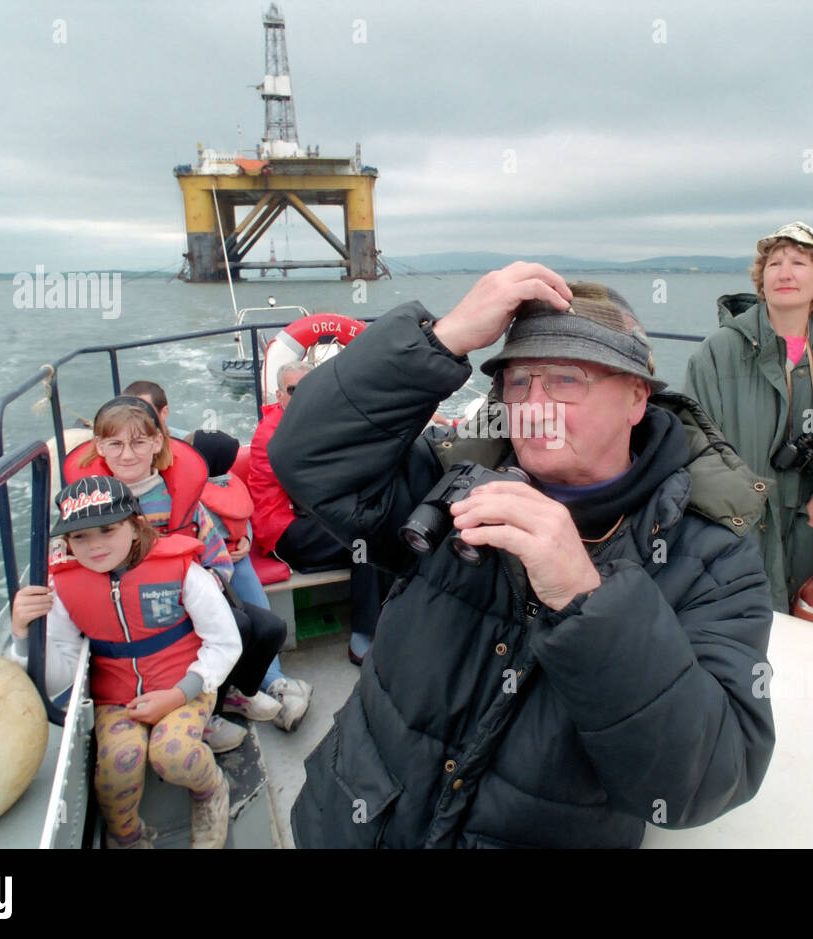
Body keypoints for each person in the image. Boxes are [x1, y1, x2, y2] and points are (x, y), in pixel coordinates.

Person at [270, 263, 775, 848]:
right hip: (354, 823)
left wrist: (587, 602)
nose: (533, 405)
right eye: (518, 381)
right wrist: (442, 337)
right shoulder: (450, 485)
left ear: (638, 397)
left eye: (565, 379)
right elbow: (307, 456)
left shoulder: (710, 555)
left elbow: (708, 778)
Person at [9, 476, 239, 848]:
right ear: (66, 542)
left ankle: (211, 790)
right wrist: (23, 634)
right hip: (114, 699)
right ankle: (128, 837)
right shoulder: (64, 589)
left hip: (185, 686)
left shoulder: (183, 570)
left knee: (174, 754)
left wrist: (180, 694)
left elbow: (225, 643)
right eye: (79, 537)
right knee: (117, 770)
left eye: (107, 529)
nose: (95, 545)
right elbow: (58, 677)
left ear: (136, 526)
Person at [66, 396, 285, 752]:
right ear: (99, 448)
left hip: (192, 595)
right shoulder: (88, 505)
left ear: (157, 443)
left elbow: (216, 556)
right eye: (115, 444)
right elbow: (73, 563)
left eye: (138, 442)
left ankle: (228, 694)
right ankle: (204, 710)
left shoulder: (180, 499)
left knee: (270, 628)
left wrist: (206, 587)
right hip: (135, 609)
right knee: (241, 627)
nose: (127, 455)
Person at [683, 222, 813, 611]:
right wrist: (736, 509)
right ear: (762, 278)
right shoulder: (718, 352)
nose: (785, 272)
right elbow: (693, 441)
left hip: (806, 536)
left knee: (804, 644)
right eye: (774, 263)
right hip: (735, 530)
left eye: (799, 263)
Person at [249, 361, 382, 665]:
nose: (301, 396)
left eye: (307, 388)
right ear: (279, 395)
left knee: (388, 525)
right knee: (367, 541)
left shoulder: (325, 420)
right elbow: (310, 489)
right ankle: (365, 633)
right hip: (286, 529)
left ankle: (393, 618)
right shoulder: (272, 434)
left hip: (319, 517)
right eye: (293, 390)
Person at [189, 428, 312, 731]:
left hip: (233, 561)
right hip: (199, 569)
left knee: (259, 608)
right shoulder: (182, 491)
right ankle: (230, 694)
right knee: (237, 620)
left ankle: (273, 682)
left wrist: (244, 538)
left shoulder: (228, 486)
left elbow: (240, 519)